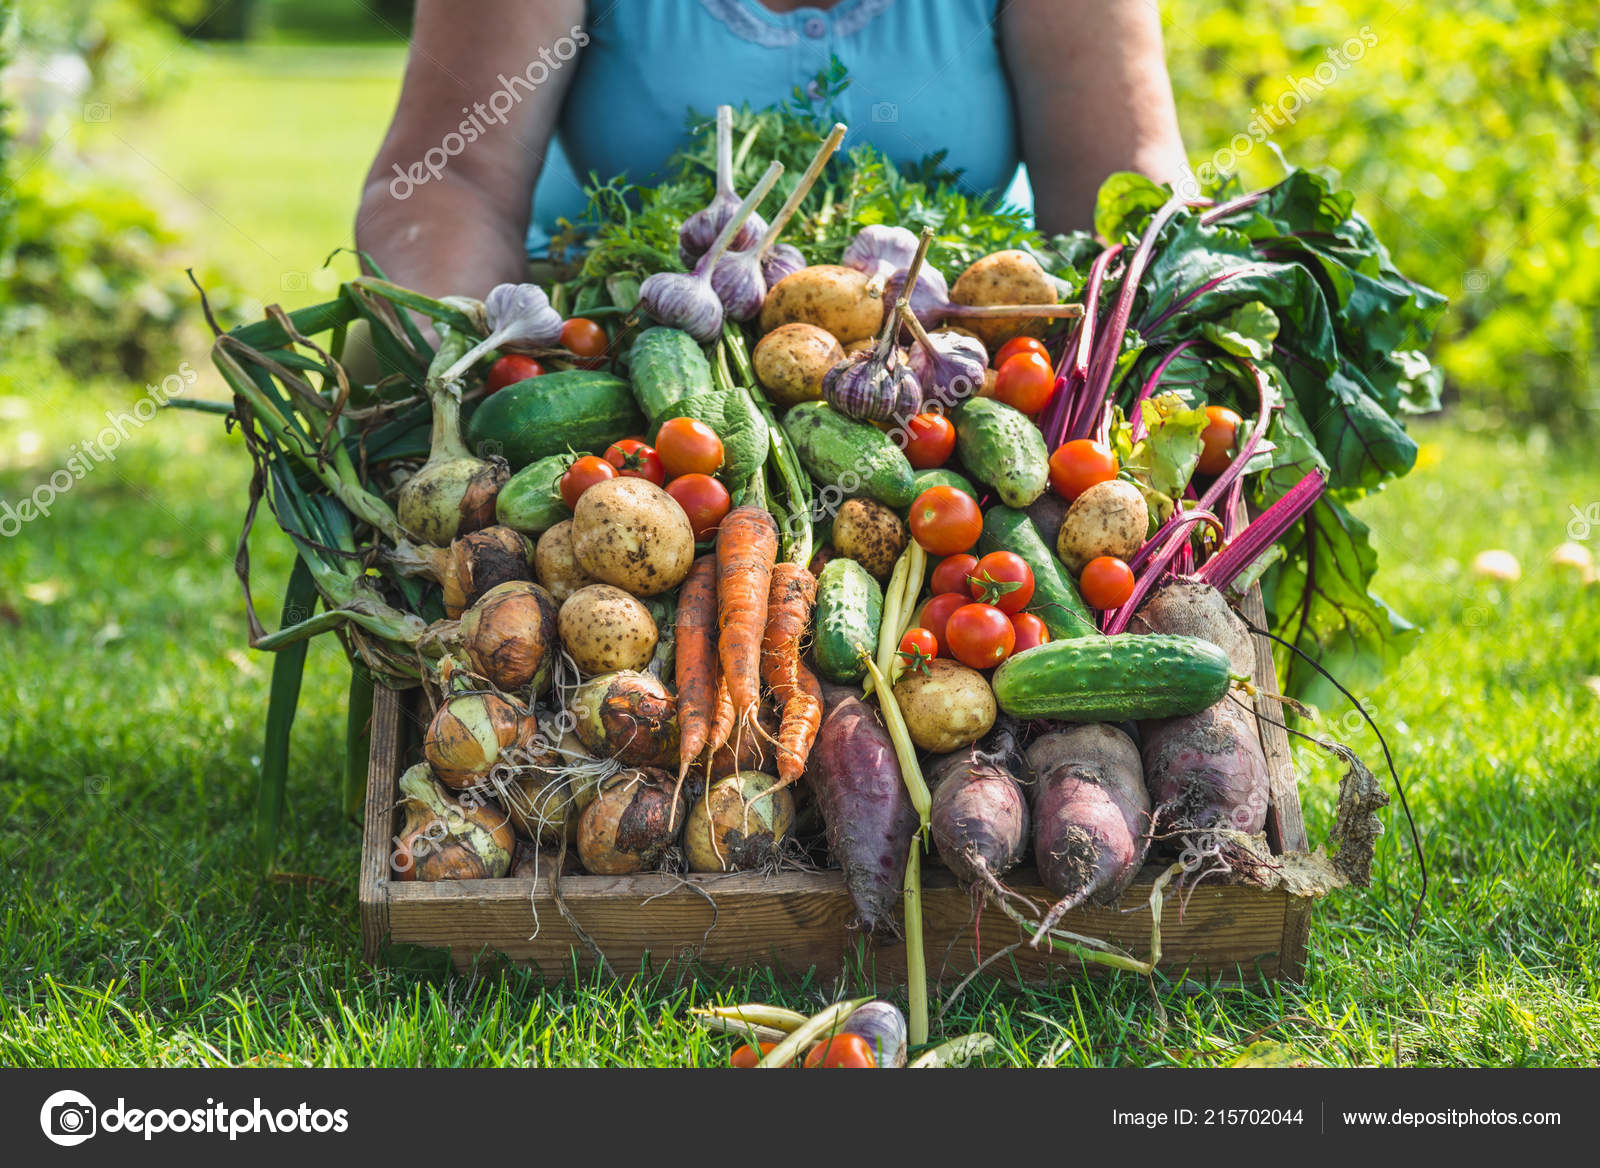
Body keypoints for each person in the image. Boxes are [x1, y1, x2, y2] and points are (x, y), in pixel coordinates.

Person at [356, 1, 1188, 300]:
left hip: (943, 332)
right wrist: (482, 356)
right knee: (381, 344)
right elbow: (445, 178)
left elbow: (1125, 197)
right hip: (611, 313)